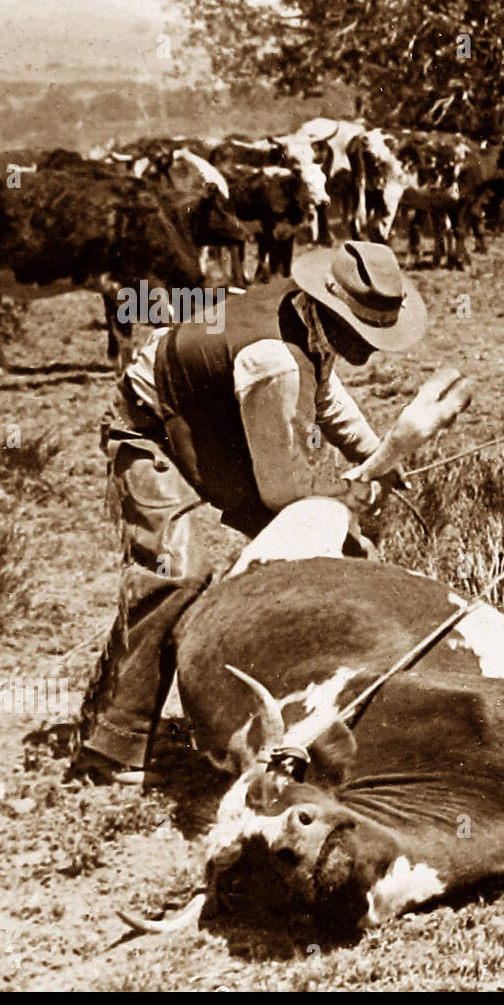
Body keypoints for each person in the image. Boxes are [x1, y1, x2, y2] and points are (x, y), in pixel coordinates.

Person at [73, 241, 426, 784]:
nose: (371, 348)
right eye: (364, 333)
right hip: (149, 426)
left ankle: (322, 711)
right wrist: (346, 492)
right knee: (175, 573)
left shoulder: (310, 323)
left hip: (218, 416)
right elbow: (284, 490)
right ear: (334, 311)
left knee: (342, 555)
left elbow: (324, 393)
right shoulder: (275, 359)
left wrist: (372, 451)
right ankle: (111, 744)